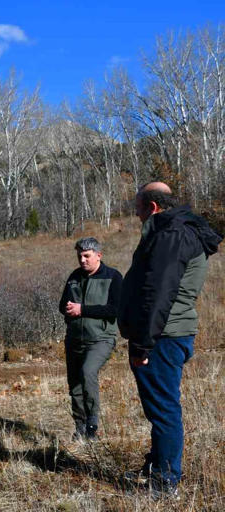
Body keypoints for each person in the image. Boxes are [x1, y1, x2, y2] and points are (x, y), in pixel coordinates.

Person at [119, 182, 222, 498]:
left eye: (137, 208)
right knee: (160, 408)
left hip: (162, 336)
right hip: (166, 333)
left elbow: (159, 292)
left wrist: (142, 342)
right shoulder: (177, 230)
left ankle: (165, 483)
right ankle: (157, 466)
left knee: (164, 410)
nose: (135, 215)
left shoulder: (171, 235)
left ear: (152, 207)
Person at [59, 237, 123, 441]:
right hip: (74, 338)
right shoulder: (74, 277)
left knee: (88, 372)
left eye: (87, 256)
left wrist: (83, 309)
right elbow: (63, 305)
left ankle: (93, 424)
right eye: (79, 256)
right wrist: (69, 309)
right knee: (75, 383)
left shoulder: (113, 276)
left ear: (98, 256)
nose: (82, 260)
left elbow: (116, 309)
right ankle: (80, 427)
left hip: (101, 338)